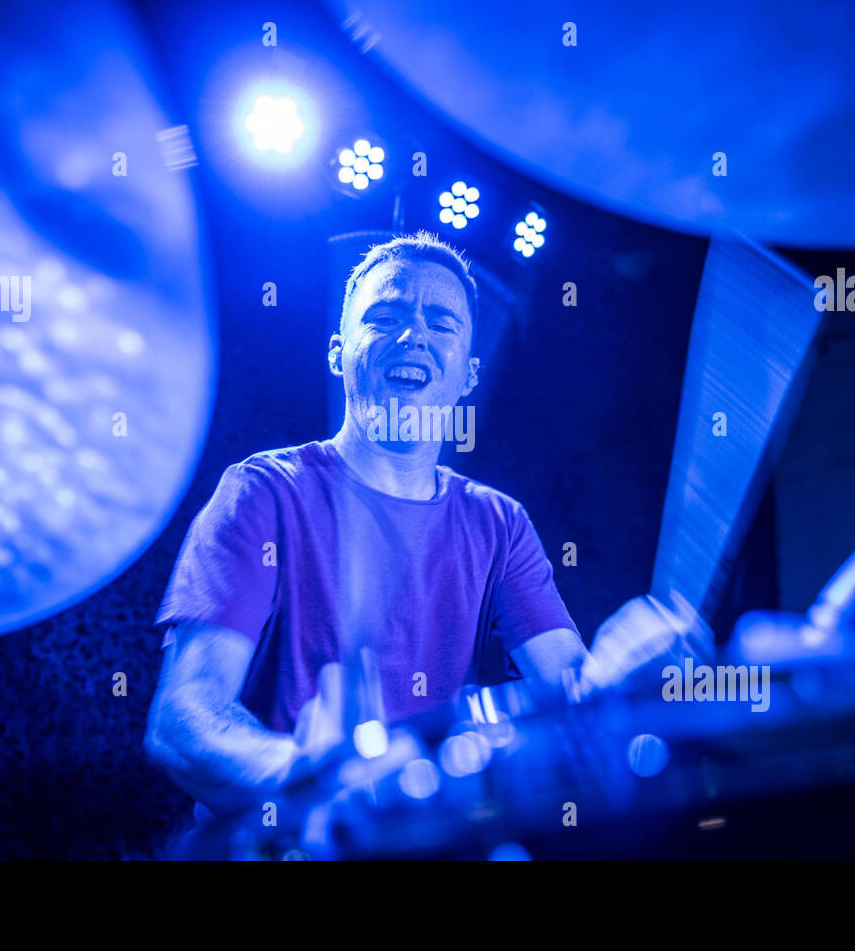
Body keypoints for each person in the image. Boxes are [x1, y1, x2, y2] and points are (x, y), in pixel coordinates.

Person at [144, 231, 702, 820]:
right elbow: (183, 717)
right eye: (386, 316)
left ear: (468, 374)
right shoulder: (263, 492)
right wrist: (299, 771)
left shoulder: (499, 523)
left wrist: (623, 683)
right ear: (338, 352)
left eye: (442, 323)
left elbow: (570, 692)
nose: (414, 335)